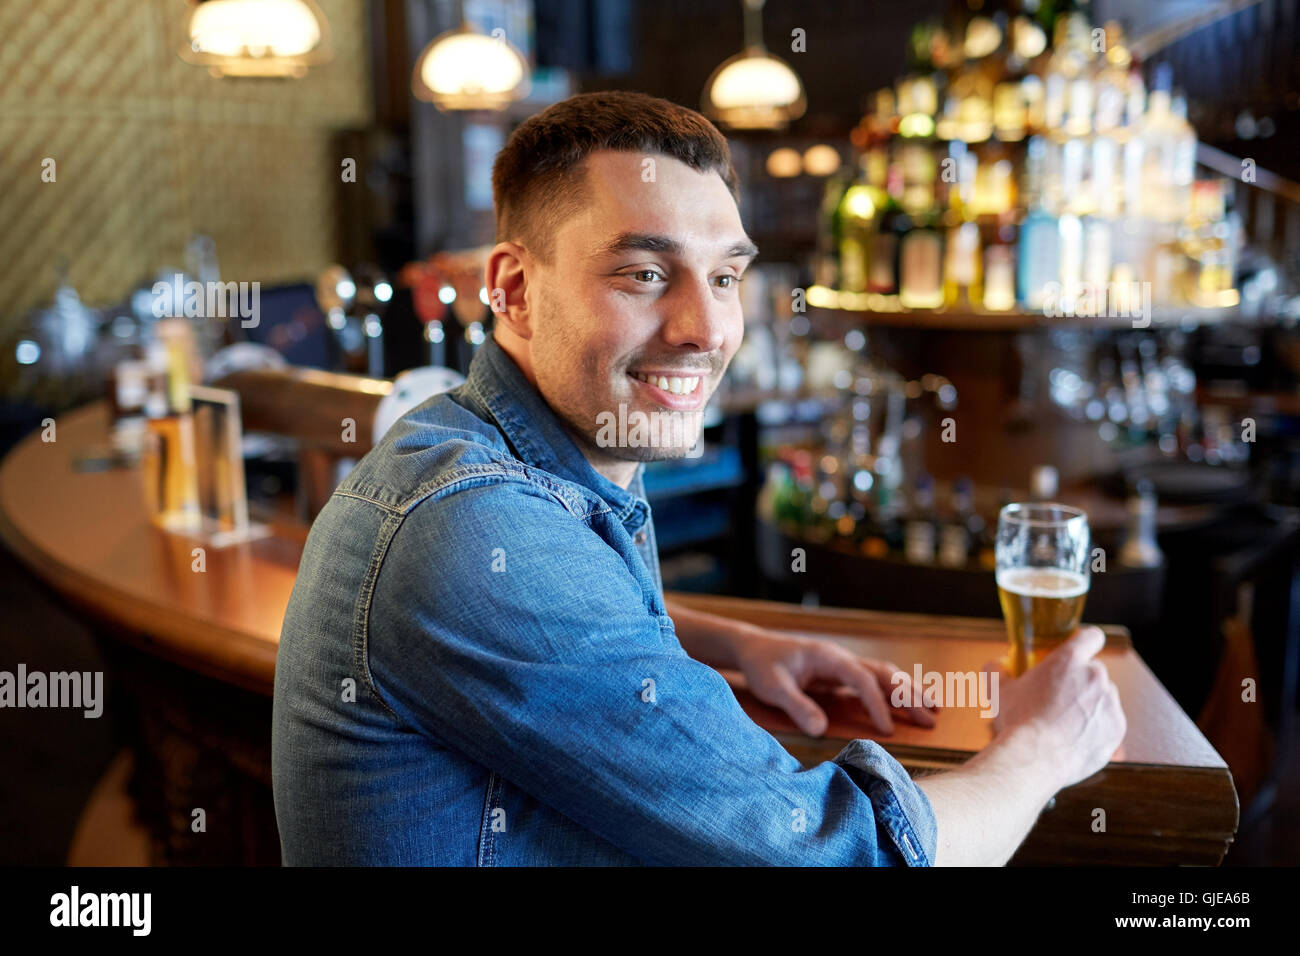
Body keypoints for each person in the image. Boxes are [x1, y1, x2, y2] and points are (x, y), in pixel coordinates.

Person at [271, 90, 1126, 865]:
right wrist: (1040, 750)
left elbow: (550, 600)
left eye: (725, 277)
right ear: (515, 289)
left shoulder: (476, 455)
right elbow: (838, 857)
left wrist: (732, 644)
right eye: (645, 274)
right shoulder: (466, 526)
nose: (707, 327)